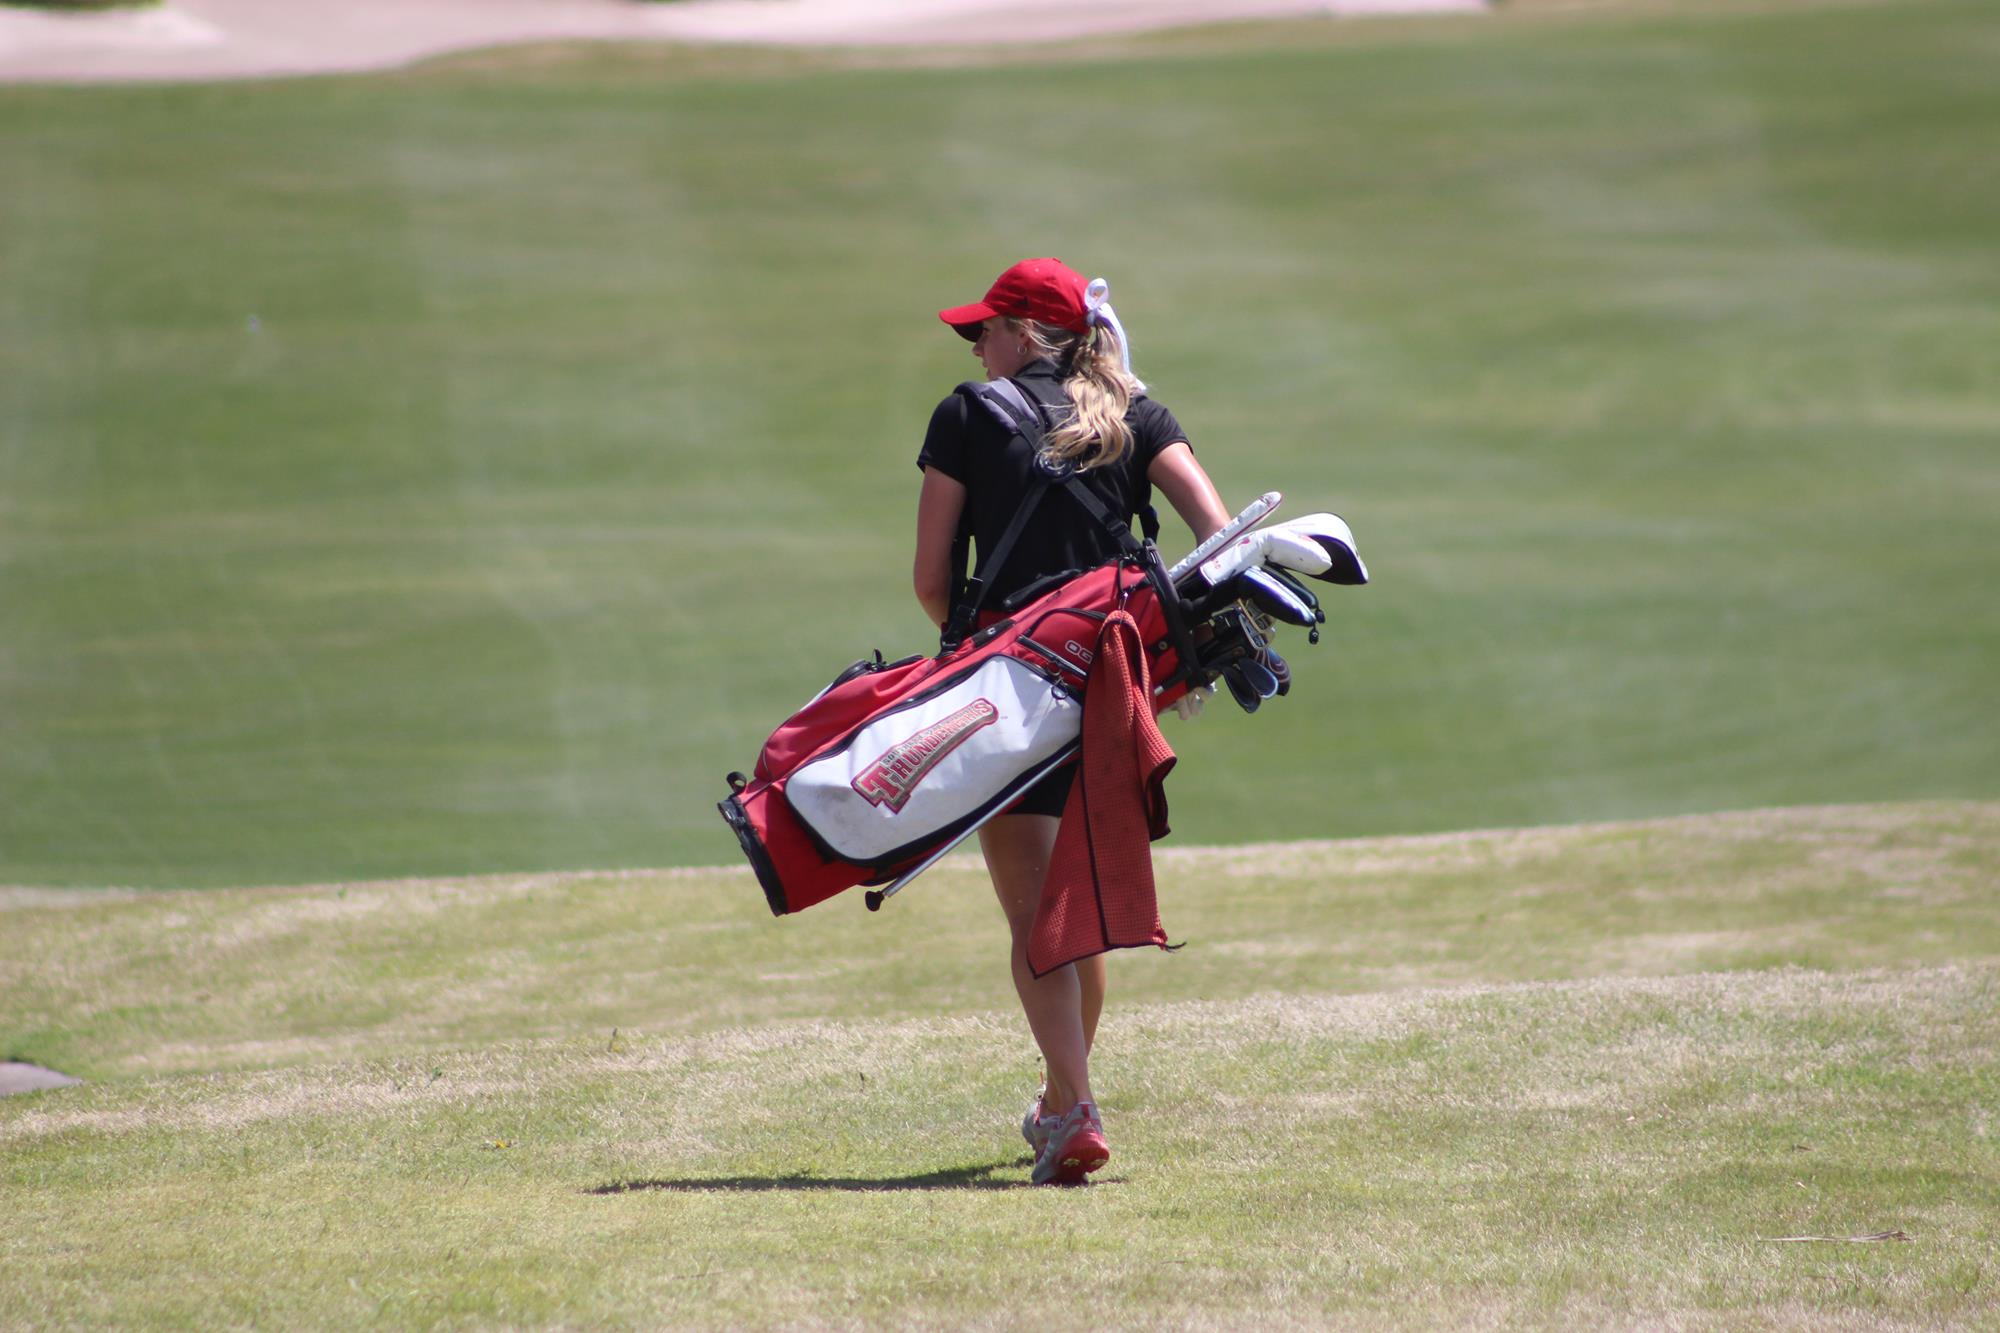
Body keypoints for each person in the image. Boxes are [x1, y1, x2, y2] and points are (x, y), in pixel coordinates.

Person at [912, 258, 1231, 1185]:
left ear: (1022, 333)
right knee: (1075, 912)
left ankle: (1076, 1108)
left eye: (984, 331)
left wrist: (992, 650)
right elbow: (1220, 541)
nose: (978, 349)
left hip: (1008, 690)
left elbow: (933, 583)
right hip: (1114, 693)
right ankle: (1061, 1102)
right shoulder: (1138, 415)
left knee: (1032, 913)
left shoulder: (967, 416)